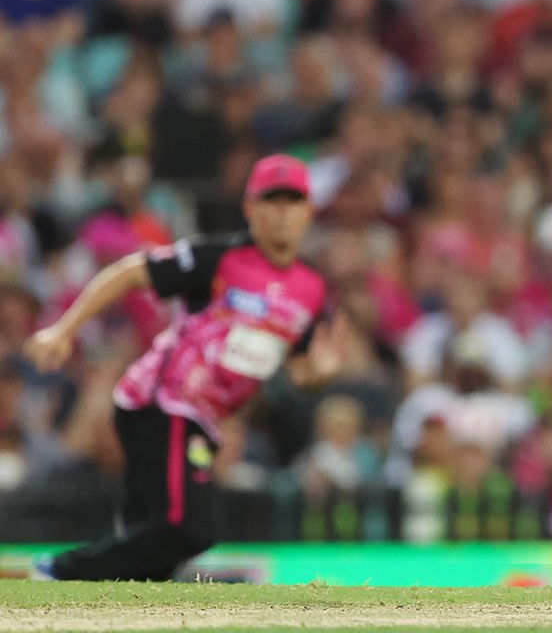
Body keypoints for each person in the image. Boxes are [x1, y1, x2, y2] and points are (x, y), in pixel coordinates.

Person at [23, 154, 351, 581]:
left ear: (309, 211)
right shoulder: (218, 259)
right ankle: (60, 572)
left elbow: (299, 372)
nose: (283, 213)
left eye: (294, 201)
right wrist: (64, 330)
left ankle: (92, 604)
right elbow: (130, 273)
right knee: (188, 528)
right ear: (250, 208)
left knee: (157, 553)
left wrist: (322, 373)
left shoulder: (311, 291)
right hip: (163, 402)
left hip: (202, 419)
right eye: (273, 200)